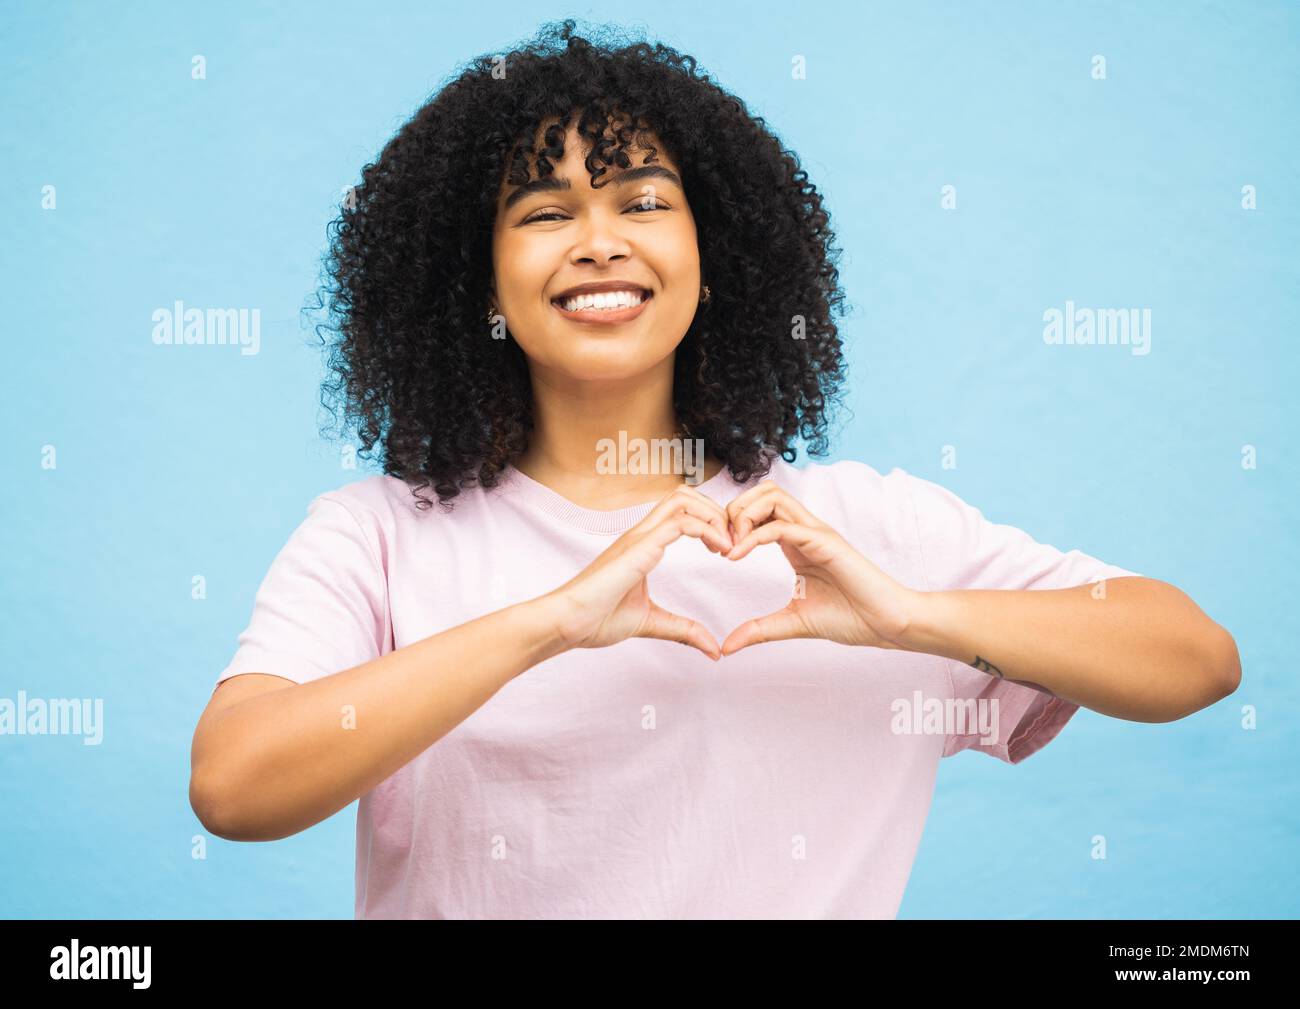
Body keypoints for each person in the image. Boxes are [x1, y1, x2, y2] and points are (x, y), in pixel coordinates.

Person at [188, 20, 1241, 919]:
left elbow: (1194, 658)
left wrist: (912, 616)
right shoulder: (374, 533)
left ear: (716, 254)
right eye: (545, 212)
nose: (599, 242)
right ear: (478, 282)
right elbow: (234, 786)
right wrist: (548, 621)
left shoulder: (854, 527)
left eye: (642, 202)